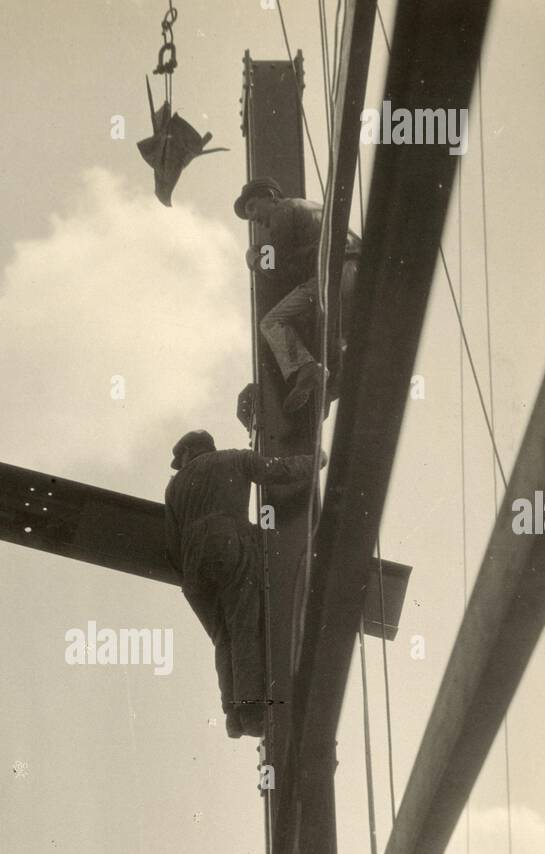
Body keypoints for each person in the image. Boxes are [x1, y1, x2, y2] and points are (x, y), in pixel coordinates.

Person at [164, 429, 321, 739]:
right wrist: (315, 461)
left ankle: (232, 715)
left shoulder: (174, 488)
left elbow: (171, 547)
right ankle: (249, 711)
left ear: (185, 453)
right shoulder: (235, 458)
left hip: (193, 565)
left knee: (222, 638)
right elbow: (278, 470)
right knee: (243, 628)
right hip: (229, 542)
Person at [234, 177, 362, 414]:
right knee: (334, 345)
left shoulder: (283, 211)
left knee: (273, 322)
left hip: (336, 275)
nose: (252, 217)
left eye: (252, 206)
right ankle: (328, 391)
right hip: (359, 278)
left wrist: (254, 258)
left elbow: (276, 268)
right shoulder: (307, 207)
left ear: (270, 197)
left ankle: (306, 368)